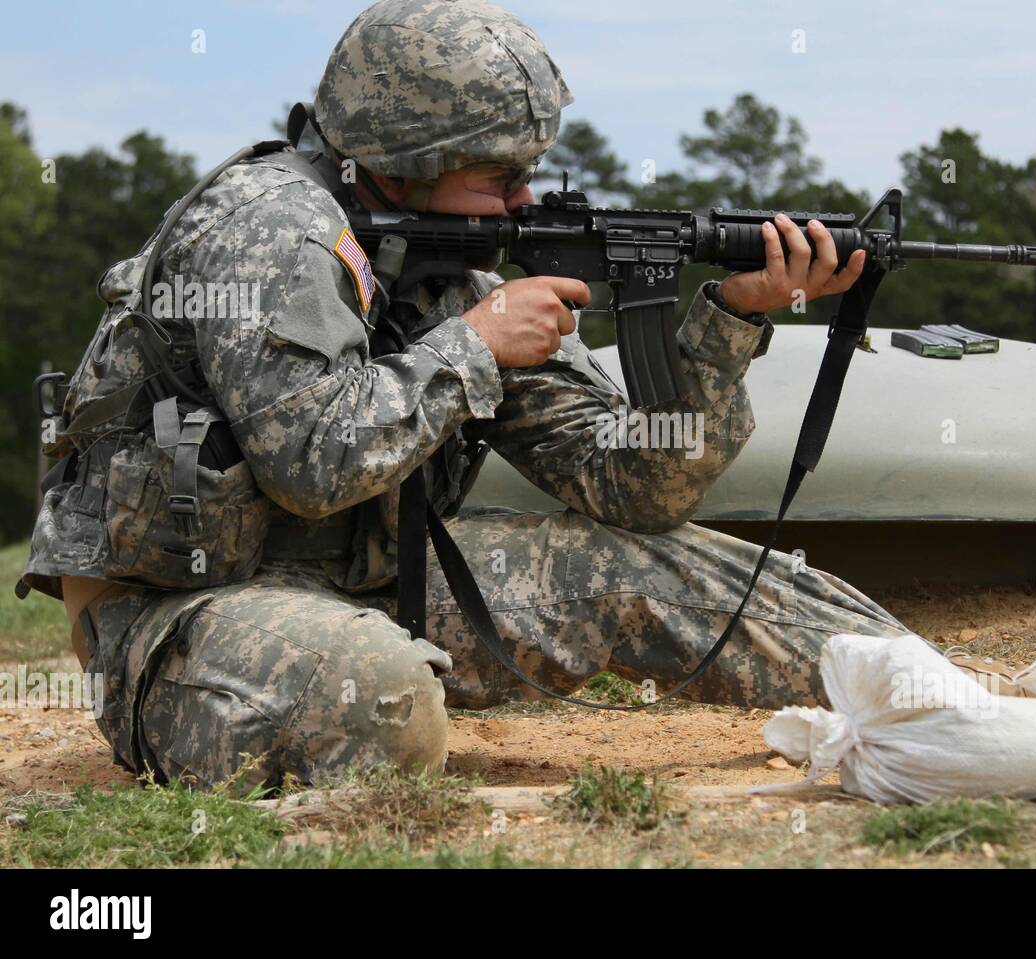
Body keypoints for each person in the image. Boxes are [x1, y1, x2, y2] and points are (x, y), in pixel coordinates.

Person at [21, 0, 918, 790]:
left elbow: (635, 491)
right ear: (409, 160)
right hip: (177, 609)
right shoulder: (274, 229)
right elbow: (308, 462)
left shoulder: (440, 263)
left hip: (364, 582)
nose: (525, 200)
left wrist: (729, 320)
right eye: (500, 176)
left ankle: (942, 696)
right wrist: (474, 346)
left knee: (675, 576)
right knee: (384, 698)